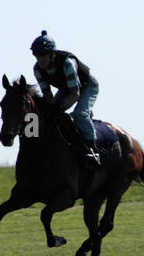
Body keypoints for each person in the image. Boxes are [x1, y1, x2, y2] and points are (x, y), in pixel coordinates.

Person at [30, 30, 101, 169]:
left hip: (87, 86)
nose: (40, 59)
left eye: (43, 55)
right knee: (49, 116)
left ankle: (93, 149)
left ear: (52, 54)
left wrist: (59, 107)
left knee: (79, 115)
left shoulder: (67, 63)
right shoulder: (37, 69)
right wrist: (51, 109)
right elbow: (47, 95)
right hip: (66, 88)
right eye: (36, 55)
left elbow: (75, 94)